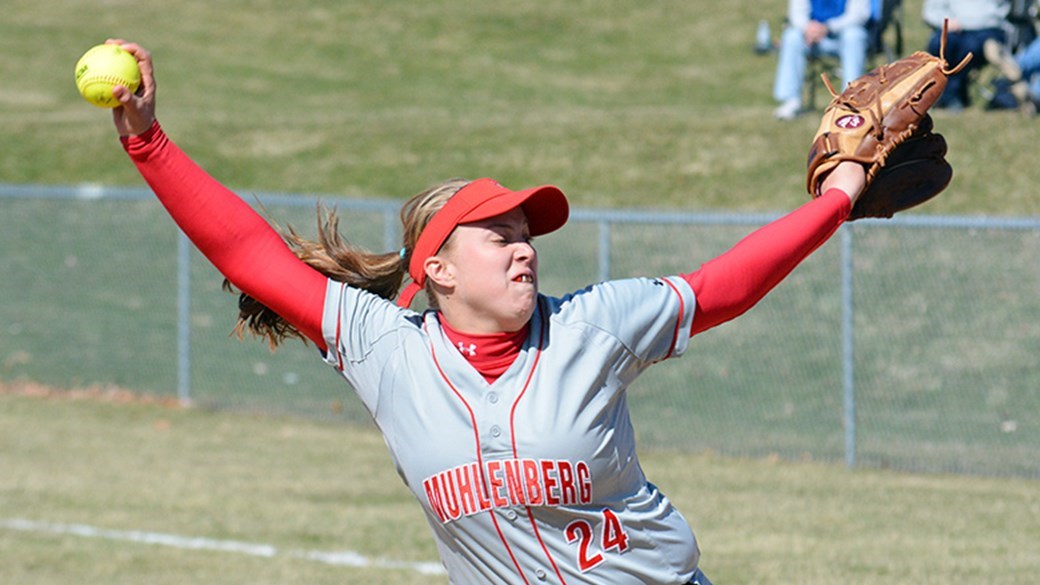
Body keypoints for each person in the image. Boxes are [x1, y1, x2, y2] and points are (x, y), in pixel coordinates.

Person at [105, 39, 868, 585]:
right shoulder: (386, 349)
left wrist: (836, 200)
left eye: (526, 234)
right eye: (498, 235)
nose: (523, 249)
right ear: (435, 268)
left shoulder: (591, 326)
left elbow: (721, 286)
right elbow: (249, 254)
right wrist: (147, 141)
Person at [773, 0, 873, 120]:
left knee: (854, 35)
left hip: (843, 36)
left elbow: (859, 15)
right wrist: (808, 28)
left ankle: (850, 100)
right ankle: (791, 101)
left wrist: (828, 27)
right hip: (813, 39)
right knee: (792, 36)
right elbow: (796, 14)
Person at [923, 0, 1012, 110]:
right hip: (953, 28)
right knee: (940, 44)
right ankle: (947, 95)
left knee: (969, 48)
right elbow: (931, 11)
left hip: (987, 28)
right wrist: (946, 21)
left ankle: (951, 96)